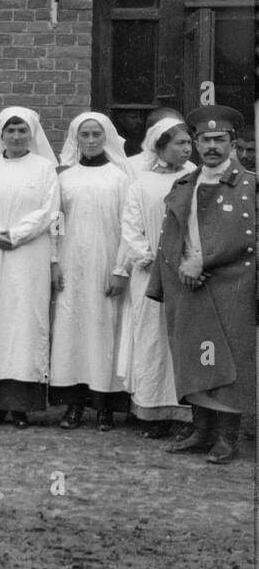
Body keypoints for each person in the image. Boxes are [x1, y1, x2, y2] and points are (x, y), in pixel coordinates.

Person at [148, 104, 256, 465]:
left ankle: (227, 437)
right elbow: (170, 235)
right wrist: (180, 265)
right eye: (205, 140)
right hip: (187, 282)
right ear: (195, 143)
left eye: (219, 139)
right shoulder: (185, 183)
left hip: (230, 284)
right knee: (194, 356)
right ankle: (201, 431)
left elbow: (247, 236)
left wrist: (204, 261)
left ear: (233, 143)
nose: (212, 146)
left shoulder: (249, 184)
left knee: (229, 359)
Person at [0, 106, 60, 428]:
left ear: (33, 133)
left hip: (29, 255)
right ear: (1, 134)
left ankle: (22, 405)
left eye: (23, 130)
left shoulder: (44, 168)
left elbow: (49, 210)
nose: (17, 136)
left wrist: (17, 234)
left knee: (25, 325)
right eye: (10, 130)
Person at [50, 112, 134, 432]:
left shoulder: (119, 177)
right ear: (75, 139)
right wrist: (55, 260)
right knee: (72, 333)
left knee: (104, 331)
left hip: (105, 263)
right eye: (84, 135)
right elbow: (56, 222)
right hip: (72, 266)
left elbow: (129, 226)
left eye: (96, 134)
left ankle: (105, 407)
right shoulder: (65, 177)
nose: (90, 140)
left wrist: (119, 269)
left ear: (107, 137)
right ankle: (73, 405)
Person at [117, 117, 194, 438]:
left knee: (181, 340)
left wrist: (189, 260)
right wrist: (145, 257)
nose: (187, 148)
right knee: (151, 337)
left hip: (187, 273)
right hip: (150, 274)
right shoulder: (142, 183)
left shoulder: (195, 178)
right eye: (180, 143)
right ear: (160, 147)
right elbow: (130, 227)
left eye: (189, 143)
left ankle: (185, 414)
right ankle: (151, 411)